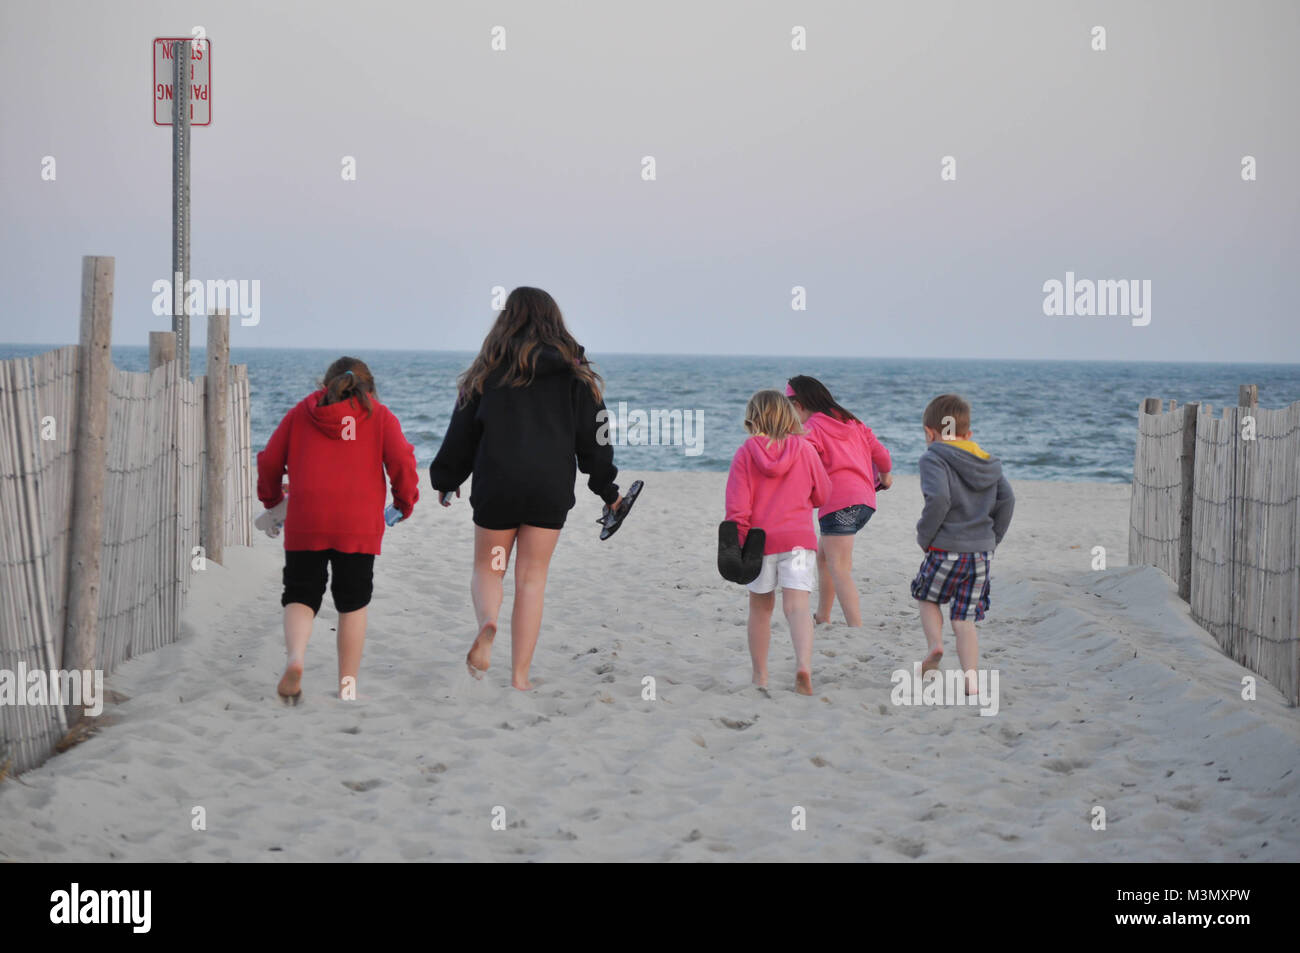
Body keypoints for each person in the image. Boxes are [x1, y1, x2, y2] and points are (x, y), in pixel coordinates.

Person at [429, 287, 628, 690]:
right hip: (548, 488)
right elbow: (596, 441)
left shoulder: (485, 374)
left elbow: (460, 437)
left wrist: (447, 480)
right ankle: (520, 678)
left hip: (498, 486)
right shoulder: (576, 377)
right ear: (554, 323)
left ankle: (488, 622)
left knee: (490, 568)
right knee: (532, 580)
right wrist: (608, 490)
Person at [256, 357, 419, 702]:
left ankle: (296, 658)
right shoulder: (380, 416)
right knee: (353, 603)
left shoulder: (302, 413)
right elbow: (402, 461)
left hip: (306, 519)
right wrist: (404, 502)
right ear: (370, 389)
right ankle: (347, 685)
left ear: (324, 386)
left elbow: (270, 459)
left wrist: (271, 500)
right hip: (357, 525)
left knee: (300, 594)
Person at [725, 390, 830, 695]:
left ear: (753, 417)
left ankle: (760, 676)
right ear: (789, 416)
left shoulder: (746, 452)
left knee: (760, 609)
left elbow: (737, 507)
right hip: (798, 541)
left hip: (760, 543)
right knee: (798, 607)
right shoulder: (806, 450)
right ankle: (803, 667)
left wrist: (739, 543)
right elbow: (822, 494)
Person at [911, 394, 1015, 695]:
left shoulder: (933, 457)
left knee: (927, 596)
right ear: (968, 435)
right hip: (981, 552)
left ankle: (935, 646)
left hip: (945, 546)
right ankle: (971, 681)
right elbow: (1007, 499)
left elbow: (939, 499)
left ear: (930, 433)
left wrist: (924, 536)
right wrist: (993, 538)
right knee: (965, 619)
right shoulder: (987, 460)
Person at [785, 376, 892, 627]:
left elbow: (801, 460)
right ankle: (823, 616)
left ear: (799, 404)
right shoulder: (852, 422)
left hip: (838, 504)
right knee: (825, 558)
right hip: (865, 502)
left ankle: (856, 626)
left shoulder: (811, 429)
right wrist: (885, 477)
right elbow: (882, 455)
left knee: (840, 568)